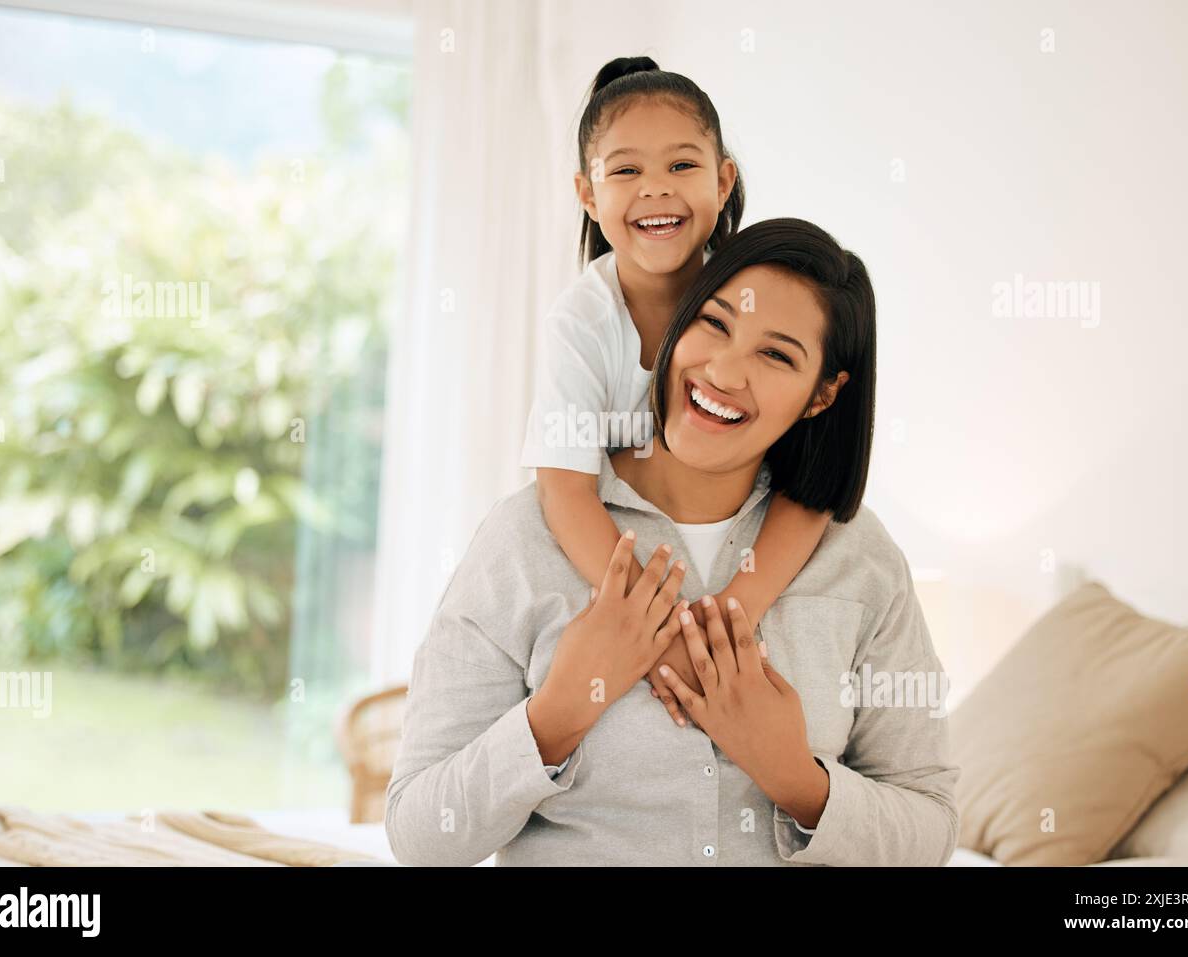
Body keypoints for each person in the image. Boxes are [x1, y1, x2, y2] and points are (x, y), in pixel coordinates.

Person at [387, 218, 959, 866]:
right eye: (714, 323)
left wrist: (796, 776)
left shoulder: (861, 564)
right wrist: (557, 714)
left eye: (776, 355)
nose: (723, 369)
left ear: (823, 394)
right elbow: (418, 833)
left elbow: (930, 825)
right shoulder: (525, 539)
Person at [521, 57, 832, 718]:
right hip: (631, 565)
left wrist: (725, 624)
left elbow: (812, 478)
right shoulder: (581, 321)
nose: (656, 190)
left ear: (723, 182)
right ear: (587, 194)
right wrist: (660, 636)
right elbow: (564, 488)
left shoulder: (756, 292)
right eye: (626, 170)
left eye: (682, 166)